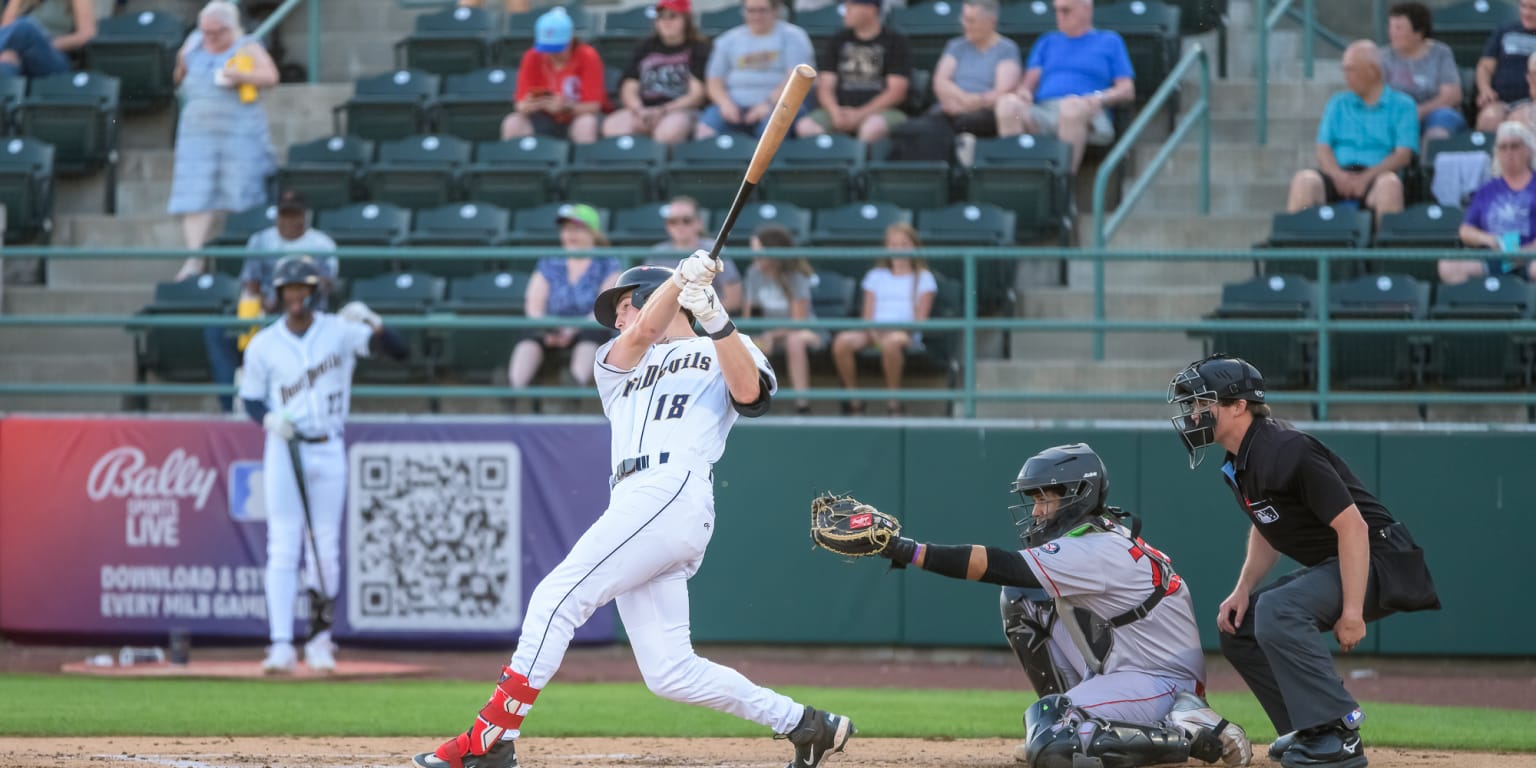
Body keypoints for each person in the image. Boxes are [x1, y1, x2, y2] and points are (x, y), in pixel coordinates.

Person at [410, 255, 856, 768]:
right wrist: (678, 281)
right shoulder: (616, 361)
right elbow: (643, 332)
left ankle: (490, 739)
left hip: (673, 486)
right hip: (637, 498)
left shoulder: (724, 344)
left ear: (650, 297)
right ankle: (805, 724)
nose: (616, 319)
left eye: (623, 305)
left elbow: (750, 394)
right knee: (670, 671)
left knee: (556, 599)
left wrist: (714, 317)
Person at [815, 443, 1252, 768]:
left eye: (1047, 497)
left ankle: (1191, 730)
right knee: (1022, 602)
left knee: (1052, 738)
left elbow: (998, 565)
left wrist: (904, 549)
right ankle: (1075, 715)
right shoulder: (1096, 535)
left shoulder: (1095, 549)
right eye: (1037, 498)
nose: (1039, 510)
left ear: (1079, 494)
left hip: (1160, 681)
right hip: (1126, 668)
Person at [1167, 354, 1440, 768]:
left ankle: (1337, 731)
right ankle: (1307, 729)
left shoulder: (1287, 449)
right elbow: (1267, 526)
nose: (1193, 413)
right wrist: (1242, 590)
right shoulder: (1241, 461)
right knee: (1240, 627)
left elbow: (1353, 528)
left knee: (1279, 609)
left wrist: (1352, 612)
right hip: (1339, 563)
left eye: (1203, 402)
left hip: (1380, 561)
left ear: (1239, 405)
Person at [237, 255, 407, 674]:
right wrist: (268, 419)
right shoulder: (264, 342)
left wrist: (372, 321)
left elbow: (398, 353)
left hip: (328, 445)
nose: (296, 296)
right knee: (283, 544)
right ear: (279, 295)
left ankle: (319, 639)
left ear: (314, 292)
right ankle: (279, 644)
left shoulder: (337, 331)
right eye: (289, 289)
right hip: (285, 446)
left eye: (302, 288)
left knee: (325, 547)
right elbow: (252, 398)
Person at [169, 0, 279, 281]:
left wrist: (241, 75)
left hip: (237, 132)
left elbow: (270, 76)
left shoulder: (247, 44)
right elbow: (179, 78)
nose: (211, 37)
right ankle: (195, 258)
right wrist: (181, 64)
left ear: (230, 28)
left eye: (217, 32)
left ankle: (244, 260)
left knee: (240, 190)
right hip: (197, 134)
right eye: (206, 31)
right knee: (195, 194)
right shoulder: (193, 43)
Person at [202, 190, 339, 412]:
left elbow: (325, 284)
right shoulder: (261, 240)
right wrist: (266, 299)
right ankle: (231, 407)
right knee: (217, 331)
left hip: (306, 314)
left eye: (294, 215)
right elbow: (251, 281)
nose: (289, 221)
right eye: (284, 215)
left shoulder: (322, 244)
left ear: (305, 215)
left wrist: (296, 291)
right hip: (267, 310)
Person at [1285, 40, 1414, 227]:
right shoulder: (1337, 104)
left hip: (1377, 175)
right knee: (1304, 181)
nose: (1346, 76)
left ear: (1373, 71)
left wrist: (1366, 177)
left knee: (1390, 186)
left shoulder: (1403, 105)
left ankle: (1385, 254)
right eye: (1344, 69)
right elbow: (1323, 149)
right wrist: (1338, 176)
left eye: (1351, 69)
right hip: (1338, 174)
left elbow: (1403, 155)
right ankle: (1296, 252)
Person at [995, 0, 1133, 171]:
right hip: (1045, 112)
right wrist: (1024, 93)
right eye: (1056, 10)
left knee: (1071, 107)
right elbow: (1029, 84)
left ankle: (1063, 188)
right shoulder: (1047, 41)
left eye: (1066, 10)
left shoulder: (1110, 40)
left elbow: (1127, 89)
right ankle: (1019, 180)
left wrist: (1100, 98)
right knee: (1007, 105)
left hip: (1087, 111)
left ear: (1086, 9)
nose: (1059, 16)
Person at [508, 203, 620, 403]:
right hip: (552, 324)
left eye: (578, 228)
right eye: (567, 229)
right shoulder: (550, 262)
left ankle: (574, 388)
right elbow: (534, 304)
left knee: (592, 334)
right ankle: (513, 390)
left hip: (589, 323)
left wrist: (572, 329)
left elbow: (603, 305)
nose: (571, 234)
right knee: (530, 335)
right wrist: (547, 326)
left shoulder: (608, 263)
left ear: (593, 232)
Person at [830, 223, 935, 416]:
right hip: (874, 331)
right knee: (842, 341)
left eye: (904, 244)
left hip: (904, 333)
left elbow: (921, 320)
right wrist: (875, 333)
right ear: (887, 247)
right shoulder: (875, 276)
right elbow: (868, 316)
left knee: (891, 343)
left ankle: (894, 402)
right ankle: (854, 400)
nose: (899, 249)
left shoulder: (924, 277)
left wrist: (892, 333)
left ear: (914, 246)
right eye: (894, 244)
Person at [793, 0, 912, 144]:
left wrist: (860, 114)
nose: (845, 11)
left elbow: (897, 92)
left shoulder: (895, 41)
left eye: (851, 6)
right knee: (806, 127)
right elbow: (825, 85)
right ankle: (833, 163)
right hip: (838, 111)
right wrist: (835, 112)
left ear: (871, 10)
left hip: (881, 112)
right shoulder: (838, 39)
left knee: (872, 128)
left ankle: (861, 164)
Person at [695, 0, 815, 139]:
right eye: (751, 10)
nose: (756, 15)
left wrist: (768, 104)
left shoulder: (793, 36)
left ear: (775, 11)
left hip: (779, 105)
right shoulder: (727, 40)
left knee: (769, 132)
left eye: (762, 10)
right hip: (735, 104)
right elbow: (714, 81)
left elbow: (795, 79)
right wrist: (725, 103)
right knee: (705, 130)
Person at [600, 0, 711, 145]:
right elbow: (629, 85)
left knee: (668, 132)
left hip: (681, 110)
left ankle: (663, 166)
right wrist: (638, 110)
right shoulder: (645, 47)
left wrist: (662, 110)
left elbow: (696, 95)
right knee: (613, 127)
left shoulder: (698, 48)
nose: (666, 22)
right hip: (644, 109)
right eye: (661, 17)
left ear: (686, 19)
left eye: (672, 16)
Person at [928, 0, 1021, 164]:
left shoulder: (1007, 49)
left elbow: (1003, 91)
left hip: (984, 112)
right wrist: (963, 99)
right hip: (952, 108)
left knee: (965, 123)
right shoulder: (955, 46)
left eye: (971, 20)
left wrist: (969, 104)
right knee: (921, 126)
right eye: (963, 19)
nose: (965, 25)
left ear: (990, 22)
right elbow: (940, 81)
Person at [1443, 120, 1536, 283]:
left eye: (1514, 146)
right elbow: (1466, 230)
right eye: (1503, 147)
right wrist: (1488, 240)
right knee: (1449, 265)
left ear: (1528, 150)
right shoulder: (1486, 190)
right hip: (1494, 256)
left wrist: (1524, 252)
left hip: (1531, 257)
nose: (1509, 153)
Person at [741, 223, 820, 415]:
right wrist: (757, 337)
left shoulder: (796, 275)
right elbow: (748, 316)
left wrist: (771, 335)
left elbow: (798, 321)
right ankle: (748, 403)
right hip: (770, 331)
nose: (755, 255)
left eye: (759, 250)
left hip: (805, 331)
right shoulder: (753, 273)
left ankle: (802, 404)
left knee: (794, 341)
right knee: (742, 343)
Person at [502, 6, 608, 144]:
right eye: (547, 48)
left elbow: (593, 106)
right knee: (513, 122)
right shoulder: (532, 56)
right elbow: (520, 104)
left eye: (557, 48)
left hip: (575, 117)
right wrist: (529, 106)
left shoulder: (587, 55)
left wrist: (565, 107)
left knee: (586, 123)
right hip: (542, 117)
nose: (552, 53)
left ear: (570, 39)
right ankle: (514, 164)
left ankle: (584, 164)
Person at [1380, 2, 1465, 153]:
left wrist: (1419, 111)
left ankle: (1428, 171)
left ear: (1418, 33)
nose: (1392, 33)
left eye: (1398, 28)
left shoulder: (1441, 54)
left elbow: (1452, 95)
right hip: (1395, 118)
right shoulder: (1384, 57)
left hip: (1435, 114)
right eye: (1391, 27)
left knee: (1437, 134)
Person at [643, 195, 744, 313]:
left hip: (708, 323)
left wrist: (700, 318)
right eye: (673, 221)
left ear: (699, 223)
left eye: (686, 220)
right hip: (668, 325)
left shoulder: (714, 249)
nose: (679, 225)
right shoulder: (657, 253)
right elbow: (648, 298)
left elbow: (734, 298)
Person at [1474, 0, 1536, 133]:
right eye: (1523, 6)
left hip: (1531, 102)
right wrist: (1485, 90)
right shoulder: (1505, 31)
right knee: (1488, 120)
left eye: (1533, 8)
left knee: (1519, 122)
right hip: (1500, 101)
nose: (1526, 13)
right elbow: (1484, 67)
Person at [0, 0, 104, 78]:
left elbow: (87, 34)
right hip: (22, 55)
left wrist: (47, 44)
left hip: (54, 56)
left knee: (25, 26)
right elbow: (7, 29)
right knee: (5, 66)